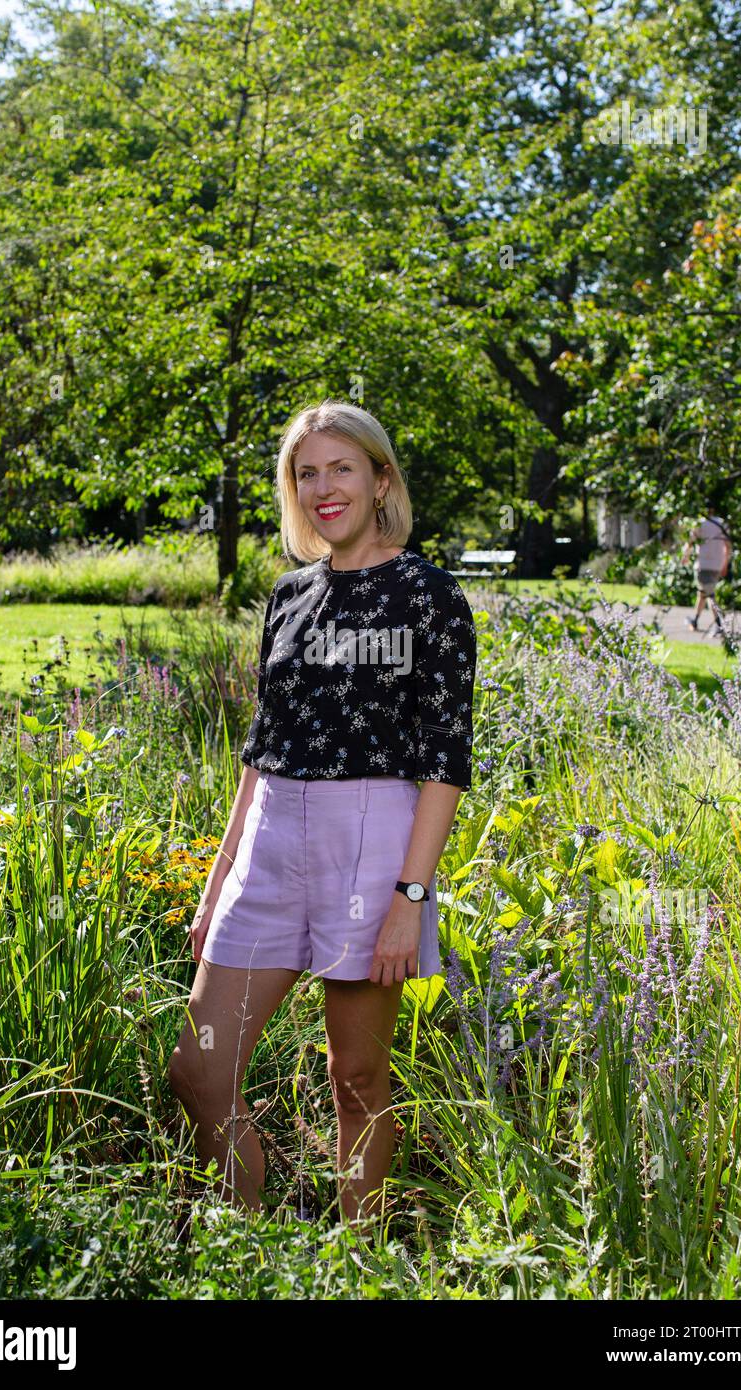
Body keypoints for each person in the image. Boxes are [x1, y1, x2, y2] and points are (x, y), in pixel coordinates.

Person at [168, 399, 477, 1231]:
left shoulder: (429, 597)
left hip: (372, 841)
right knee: (198, 1070)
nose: (322, 488)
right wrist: (219, 876)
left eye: (342, 468)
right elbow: (260, 747)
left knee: (357, 1080)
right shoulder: (289, 596)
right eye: (306, 473)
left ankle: (357, 1258)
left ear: (382, 481)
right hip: (270, 837)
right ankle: (248, 1230)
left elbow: (444, 761)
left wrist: (409, 901)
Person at [681, 513, 732, 634]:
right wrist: (725, 563)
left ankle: (719, 622)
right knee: (703, 592)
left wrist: (685, 556)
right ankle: (695, 619)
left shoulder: (700, 523)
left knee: (709, 593)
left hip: (703, 563)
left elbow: (690, 542)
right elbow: (728, 546)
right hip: (717, 564)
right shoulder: (722, 523)